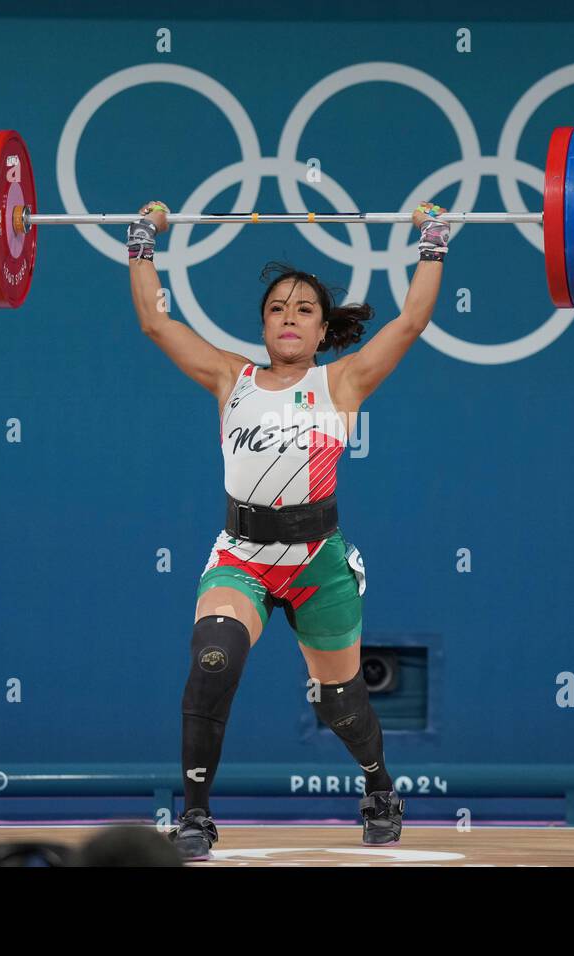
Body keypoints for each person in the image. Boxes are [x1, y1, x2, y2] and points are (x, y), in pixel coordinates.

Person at [127, 198, 449, 861]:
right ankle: (193, 815)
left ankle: (379, 787)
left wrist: (434, 240)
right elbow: (157, 324)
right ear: (264, 325)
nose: (291, 317)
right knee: (212, 661)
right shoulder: (230, 377)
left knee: (341, 704)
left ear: (323, 324)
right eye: (278, 308)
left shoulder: (345, 382)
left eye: (305, 308)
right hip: (241, 555)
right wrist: (141, 240)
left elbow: (412, 320)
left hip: (316, 561)